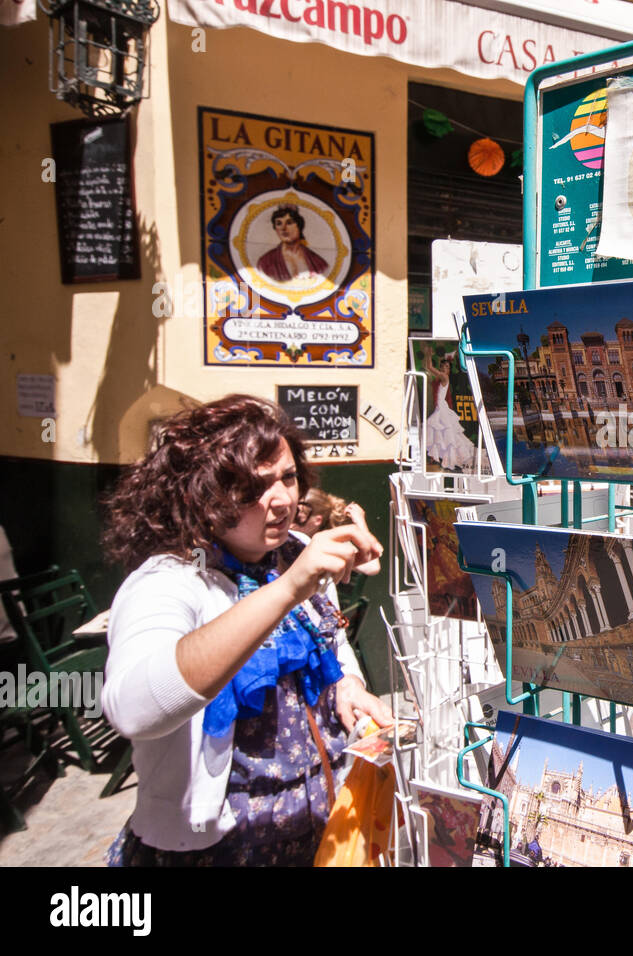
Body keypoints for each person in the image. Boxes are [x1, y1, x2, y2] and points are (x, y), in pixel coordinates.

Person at [100, 395, 390, 865]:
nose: (281, 501)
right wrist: (288, 589)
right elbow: (134, 710)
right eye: (253, 487)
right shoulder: (169, 579)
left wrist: (346, 684)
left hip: (322, 828)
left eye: (288, 478)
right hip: (222, 847)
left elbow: (331, 640)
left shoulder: (297, 552)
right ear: (202, 492)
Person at [421, 349, 479, 471]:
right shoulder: (441, 376)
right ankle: (437, 457)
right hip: (440, 406)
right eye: (442, 366)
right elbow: (428, 367)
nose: (443, 368)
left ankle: (440, 457)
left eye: (446, 366)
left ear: (449, 369)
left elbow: (430, 367)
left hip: (442, 406)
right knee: (442, 433)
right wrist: (428, 356)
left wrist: (428, 354)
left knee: (440, 430)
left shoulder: (444, 377)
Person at [256, 204, 329, 281]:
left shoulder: (317, 262)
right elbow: (246, 286)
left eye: (289, 222)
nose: (283, 228)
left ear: (299, 226)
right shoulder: (265, 262)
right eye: (279, 223)